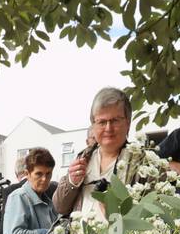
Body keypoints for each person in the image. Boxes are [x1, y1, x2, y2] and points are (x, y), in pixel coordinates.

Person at [53, 87, 158, 218]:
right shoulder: (83, 157)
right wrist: (71, 183)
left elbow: (154, 216)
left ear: (128, 123)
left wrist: (116, 211)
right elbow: (60, 207)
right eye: (102, 122)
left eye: (115, 120)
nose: (109, 128)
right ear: (93, 125)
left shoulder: (145, 163)